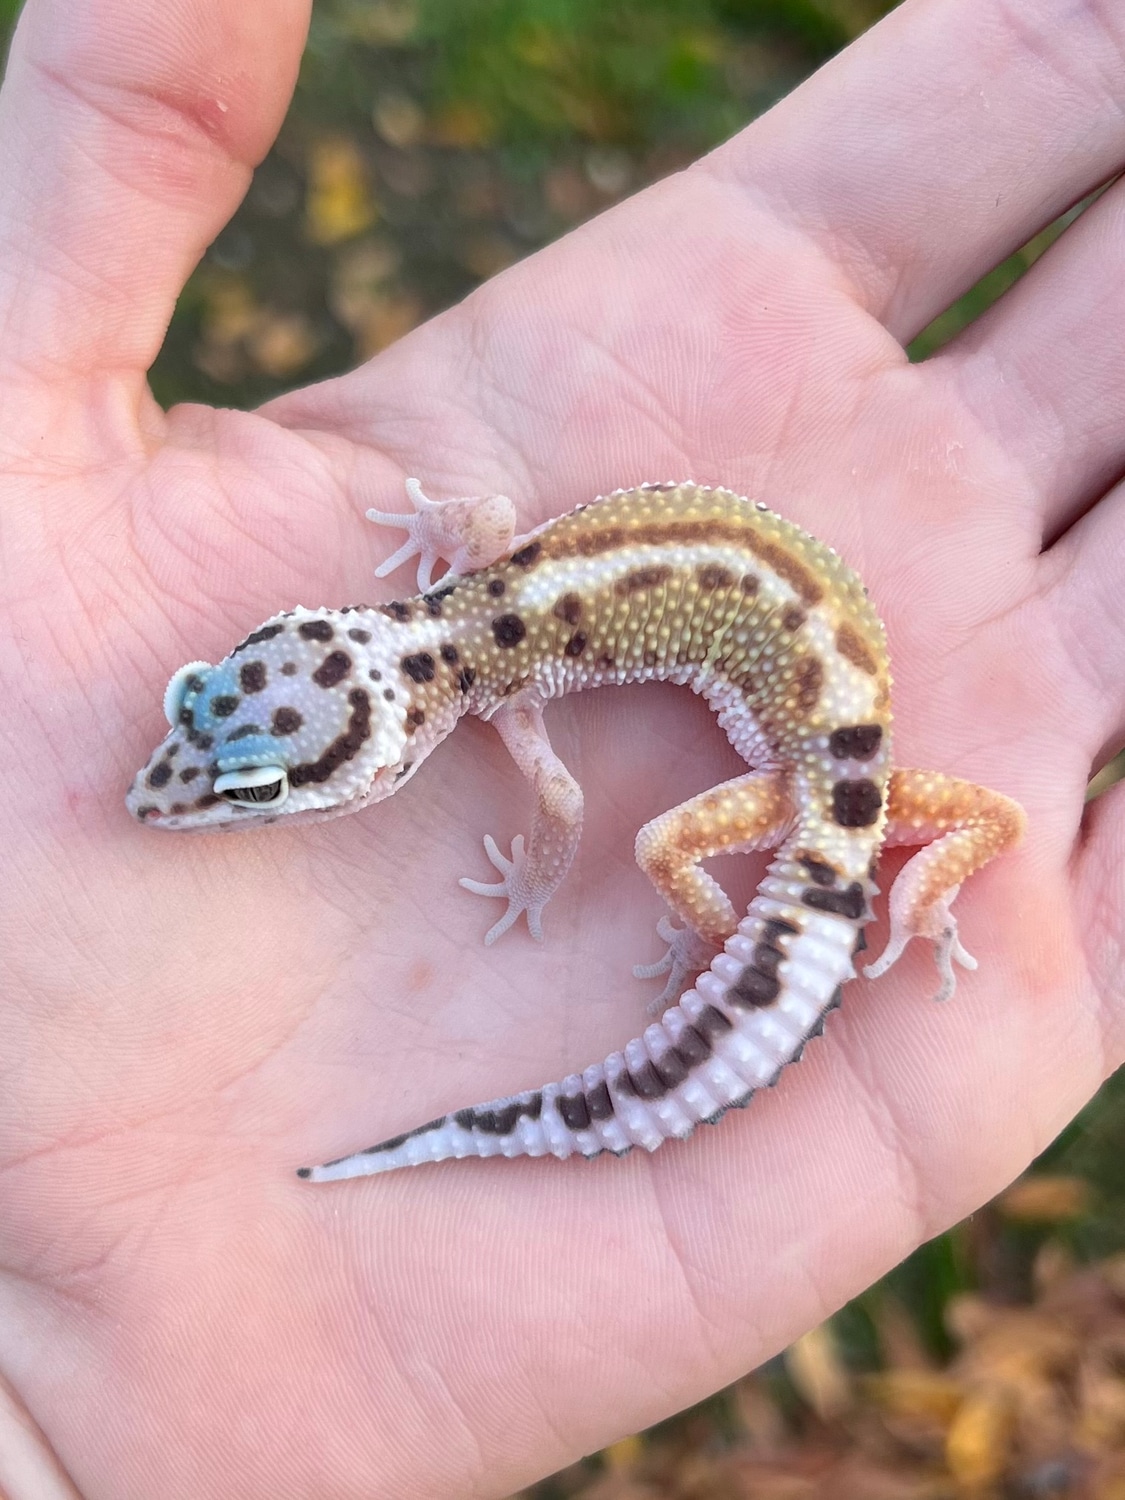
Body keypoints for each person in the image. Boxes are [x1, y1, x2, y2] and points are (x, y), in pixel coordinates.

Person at [1, 0, 1121, 1494]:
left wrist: (555, 892)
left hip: (812, 742)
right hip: (816, 683)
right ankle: (913, 886)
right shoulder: (463, 588)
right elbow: (469, 531)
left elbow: (560, 799)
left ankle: (878, 896)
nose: (191, 790)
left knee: (672, 849)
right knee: (883, 831)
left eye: (256, 785)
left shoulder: (499, 692)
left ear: (376, 729)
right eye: (226, 745)